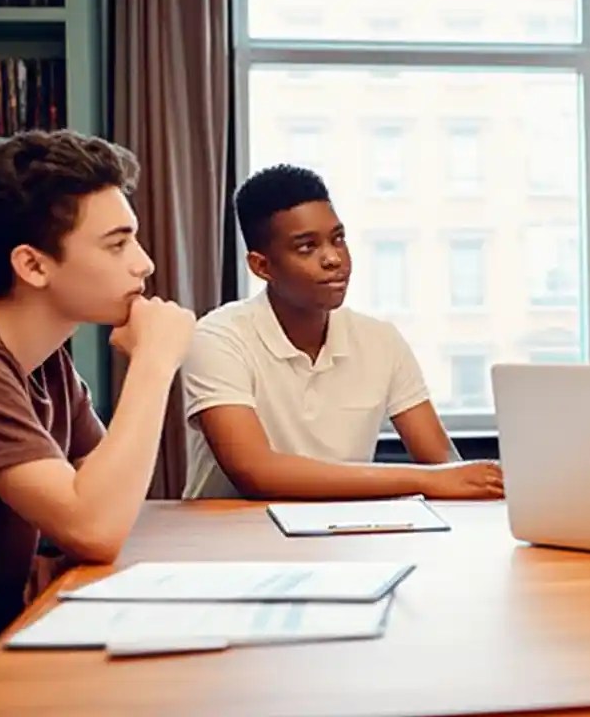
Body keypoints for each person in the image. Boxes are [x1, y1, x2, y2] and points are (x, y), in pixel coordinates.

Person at [0, 131, 196, 703]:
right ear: (32, 264)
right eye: (117, 245)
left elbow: (106, 498)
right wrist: (154, 361)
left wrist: (53, 546)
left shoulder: (46, 360)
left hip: (3, 646)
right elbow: (96, 525)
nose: (143, 265)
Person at [182, 164, 503, 501]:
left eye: (338, 239)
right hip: (229, 540)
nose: (334, 258)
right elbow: (256, 472)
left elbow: (443, 464)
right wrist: (427, 480)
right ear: (261, 266)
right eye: (307, 247)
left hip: (345, 537)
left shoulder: (380, 340)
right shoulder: (217, 338)